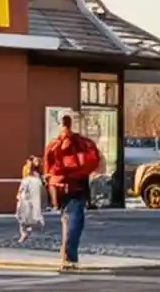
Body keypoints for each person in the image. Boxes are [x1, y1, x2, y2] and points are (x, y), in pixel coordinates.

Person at [43, 115, 102, 271]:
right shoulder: (82, 144)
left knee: (67, 219)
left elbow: (48, 167)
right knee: (75, 219)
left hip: (59, 187)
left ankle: (66, 252)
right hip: (76, 186)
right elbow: (92, 162)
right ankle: (69, 254)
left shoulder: (54, 145)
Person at [15, 156, 45, 243]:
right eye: (36, 161)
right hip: (26, 195)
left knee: (31, 215)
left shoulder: (38, 174)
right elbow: (24, 182)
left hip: (33, 196)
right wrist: (19, 193)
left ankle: (27, 230)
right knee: (22, 215)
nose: (38, 162)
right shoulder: (27, 170)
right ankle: (24, 232)